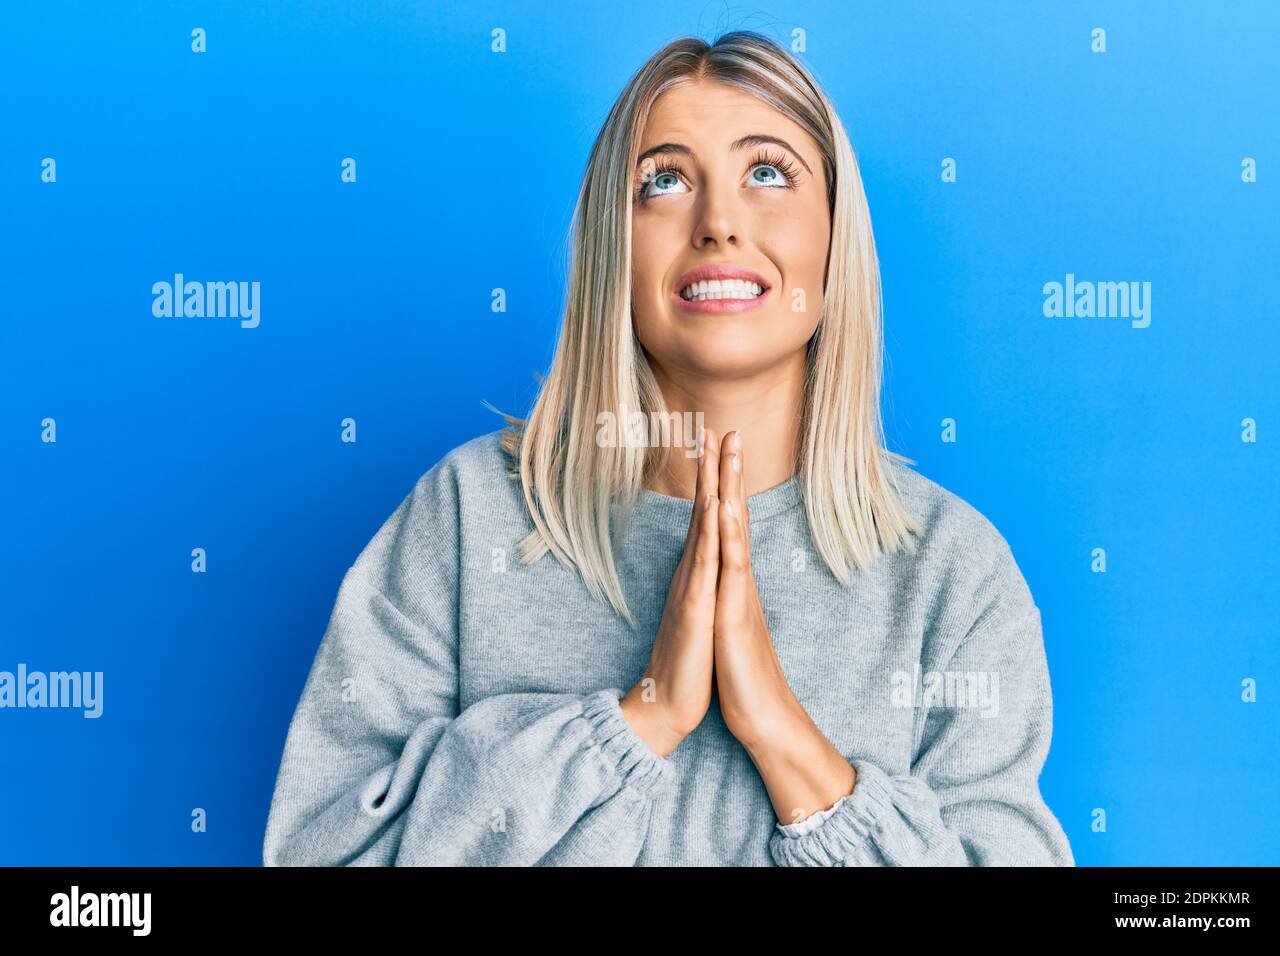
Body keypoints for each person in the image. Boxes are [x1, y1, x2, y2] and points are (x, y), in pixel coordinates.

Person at [262, 31, 1074, 866]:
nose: (718, 222)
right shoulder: (467, 519)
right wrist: (636, 722)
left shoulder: (954, 573)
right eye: (665, 181)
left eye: (767, 172)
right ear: (615, 245)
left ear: (835, 240)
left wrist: (785, 740)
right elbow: (322, 849)